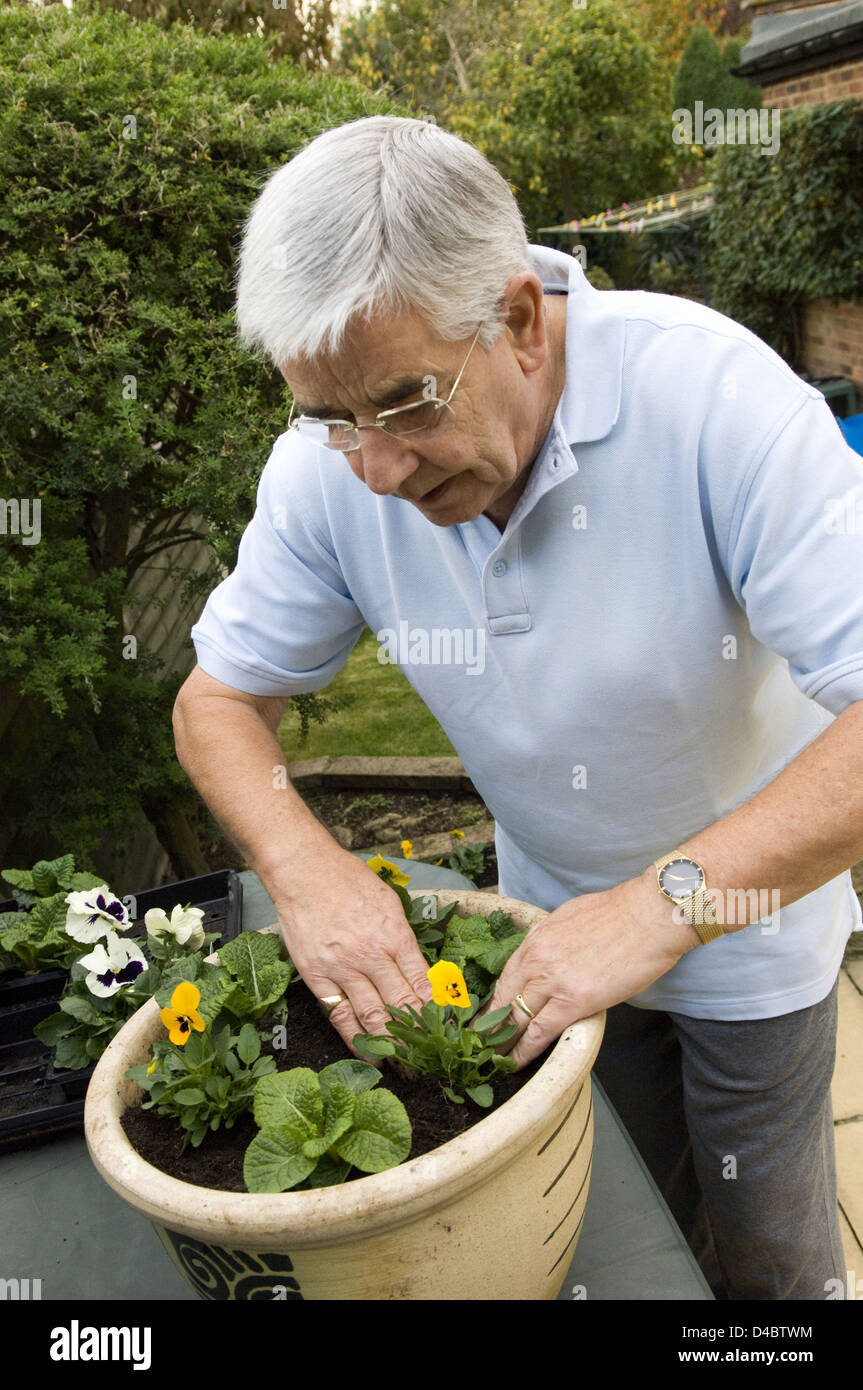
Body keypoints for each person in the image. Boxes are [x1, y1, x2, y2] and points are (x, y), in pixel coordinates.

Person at [174, 116, 863, 1300]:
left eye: (402, 406)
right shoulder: (329, 466)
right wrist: (303, 864)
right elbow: (219, 698)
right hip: (540, 933)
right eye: (330, 416)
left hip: (751, 921)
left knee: (770, 1262)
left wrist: (659, 906)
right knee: (635, 1218)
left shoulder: (711, 396)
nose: (374, 469)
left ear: (521, 320)